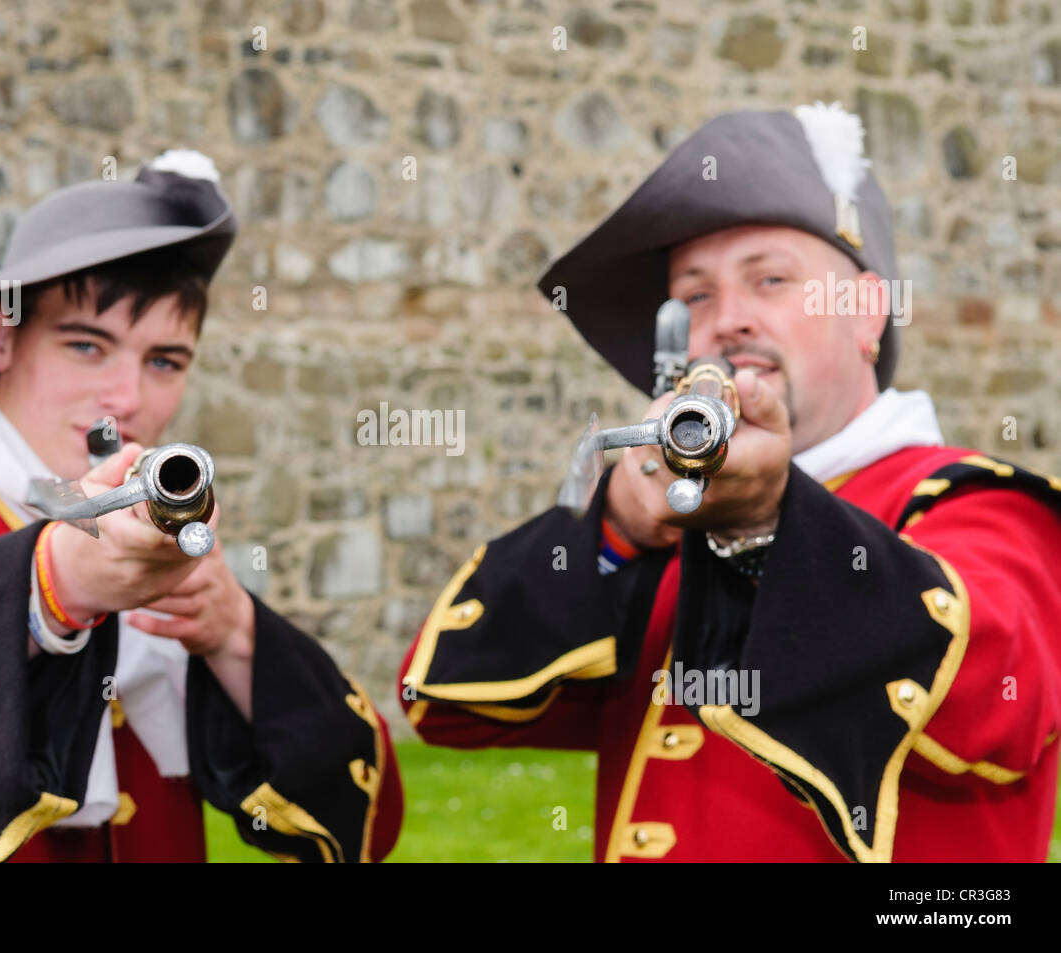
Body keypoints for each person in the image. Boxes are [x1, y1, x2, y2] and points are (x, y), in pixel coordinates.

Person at [398, 103, 1061, 862]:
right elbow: (445, 703)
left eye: (771, 279)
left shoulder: (978, 503)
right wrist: (614, 526)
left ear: (866, 312)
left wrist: (767, 525)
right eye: (695, 296)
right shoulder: (662, 527)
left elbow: (998, 700)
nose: (728, 321)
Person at [0, 150, 402, 863]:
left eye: (165, 361)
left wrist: (233, 632)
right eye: (87, 346)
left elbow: (374, 818)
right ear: (1, 339)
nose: (128, 397)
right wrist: (51, 586)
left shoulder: (152, 551)